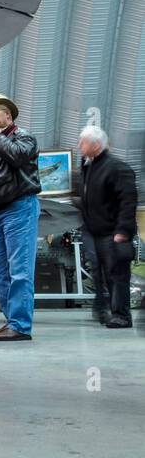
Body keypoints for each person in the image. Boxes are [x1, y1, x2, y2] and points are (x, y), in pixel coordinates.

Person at [0, 93, 41, 342]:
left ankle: (21, 325)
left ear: (8, 114)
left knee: (20, 270)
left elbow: (16, 156)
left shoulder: (24, 137)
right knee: (0, 272)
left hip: (19, 207)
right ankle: (11, 320)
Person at [77, 125, 138, 329]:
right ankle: (104, 309)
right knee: (99, 272)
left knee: (117, 274)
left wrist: (122, 231)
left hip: (112, 233)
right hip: (94, 231)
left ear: (96, 145)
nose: (79, 146)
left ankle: (121, 315)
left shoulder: (116, 168)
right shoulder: (88, 167)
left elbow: (128, 202)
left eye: (83, 142)